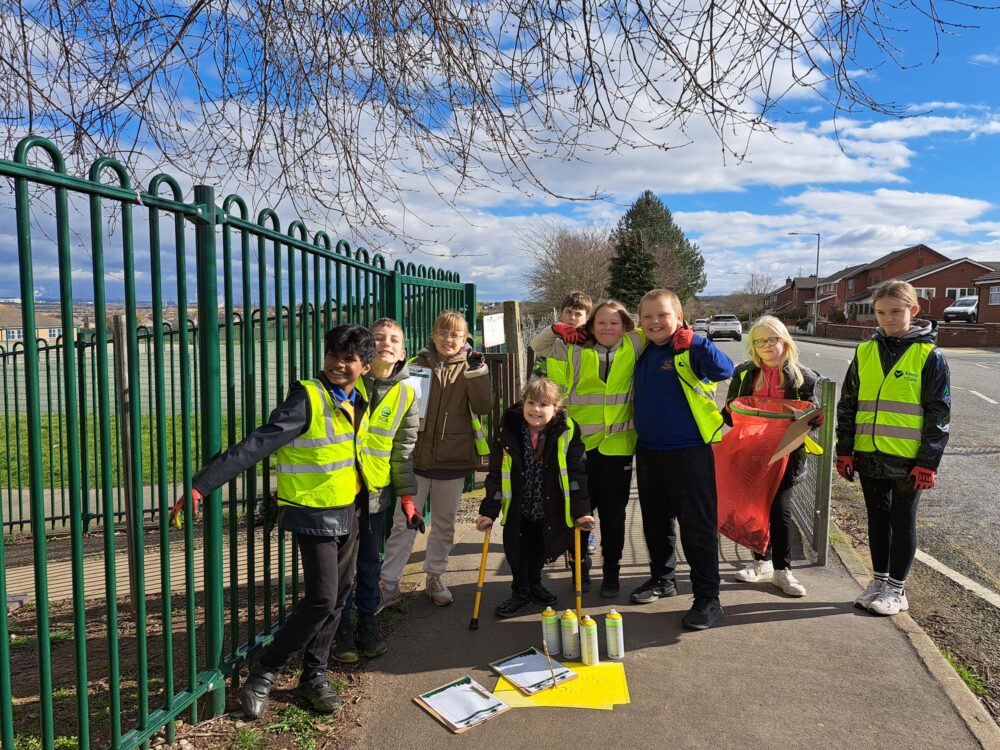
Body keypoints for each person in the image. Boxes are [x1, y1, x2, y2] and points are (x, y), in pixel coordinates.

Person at [169, 324, 386, 719]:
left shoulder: (361, 397)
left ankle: (314, 676)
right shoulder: (307, 397)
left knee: (338, 597)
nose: (339, 364)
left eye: (349, 359)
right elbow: (258, 442)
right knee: (321, 597)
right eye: (334, 355)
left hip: (351, 509)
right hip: (312, 512)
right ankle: (265, 670)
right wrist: (203, 483)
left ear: (365, 367)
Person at [836, 280, 950, 616]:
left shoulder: (930, 356)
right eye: (881, 312)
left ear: (913, 311)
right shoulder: (865, 352)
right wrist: (845, 449)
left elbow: (939, 414)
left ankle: (897, 590)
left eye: (896, 311)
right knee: (876, 518)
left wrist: (928, 463)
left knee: (902, 520)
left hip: (907, 459)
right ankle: (879, 580)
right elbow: (848, 404)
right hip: (868, 453)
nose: (887, 318)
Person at [529, 299, 654, 598]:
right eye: (601, 322)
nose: (607, 327)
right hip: (578, 448)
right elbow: (539, 345)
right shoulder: (574, 348)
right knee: (578, 513)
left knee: (614, 516)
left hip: (617, 449)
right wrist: (558, 328)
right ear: (591, 326)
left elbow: (662, 326)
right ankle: (580, 571)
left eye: (614, 322)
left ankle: (611, 573)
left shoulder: (634, 343)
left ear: (625, 326)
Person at [631, 289, 733, 630]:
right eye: (647, 317)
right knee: (656, 523)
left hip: (689, 451)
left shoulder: (688, 347)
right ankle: (663, 579)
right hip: (648, 450)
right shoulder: (642, 350)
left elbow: (724, 369)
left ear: (679, 317)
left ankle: (708, 598)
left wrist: (698, 342)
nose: (655, 322)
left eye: (662, 315)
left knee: (697, 527)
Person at [379, 310, 493, 608]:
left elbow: (483, 406)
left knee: (444, 523)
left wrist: (478, 373)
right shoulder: (415, 365)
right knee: (404, 523)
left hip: (453, 459)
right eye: (443, 332)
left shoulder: (471, 366)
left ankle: (435, 577)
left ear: (465, 337)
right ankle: (389, 583)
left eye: (455, 334)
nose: (448, 339)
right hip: (416, 457)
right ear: (434, 334)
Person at [332, 318, 420, 664]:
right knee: (341, 570)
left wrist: (408, 498)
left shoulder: (406, 394)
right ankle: (339, 631)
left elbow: (403, 451)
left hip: (375, 498)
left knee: (369, 566)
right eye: (378, 337)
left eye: (394, 339)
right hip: (338, 495)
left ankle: (367, 623)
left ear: (402, 352)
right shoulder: (349, 382)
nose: (386, 342)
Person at [477, 378, 593, 617]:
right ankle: (520, 590)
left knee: (541, 544)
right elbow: (497, 473)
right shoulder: (508, 430)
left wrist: (581, 511)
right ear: (523, 403)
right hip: (519, 504)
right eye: (531, 402)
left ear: (556, 407)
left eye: (544, 404)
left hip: (550, 503)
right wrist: (488, 511)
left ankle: (535, 583)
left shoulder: (567, 430)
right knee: (518, 548)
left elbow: (576, 473)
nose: (536, 410)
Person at [725, 315, 823, 597]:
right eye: (760, 341)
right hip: (753, 452)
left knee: (780, 509)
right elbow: (730, 417)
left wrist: (815, 419)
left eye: (772, 339)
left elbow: (812, 415)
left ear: (785, 341)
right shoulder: (744, 374)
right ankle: (761, 563)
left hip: (787, 455)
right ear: (753, 346)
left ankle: (783, 569)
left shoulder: (805, 377)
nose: (767, 346)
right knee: (755, 507)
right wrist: (734, 409)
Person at [531, 291, 592, 382]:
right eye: (568, 312)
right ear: (561, 314)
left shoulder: (595, 341)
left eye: (578, 314)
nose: (572, 317)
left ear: (587, 318)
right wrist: (554, 329)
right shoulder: (552, 339)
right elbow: (535, 346)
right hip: (556, 395)